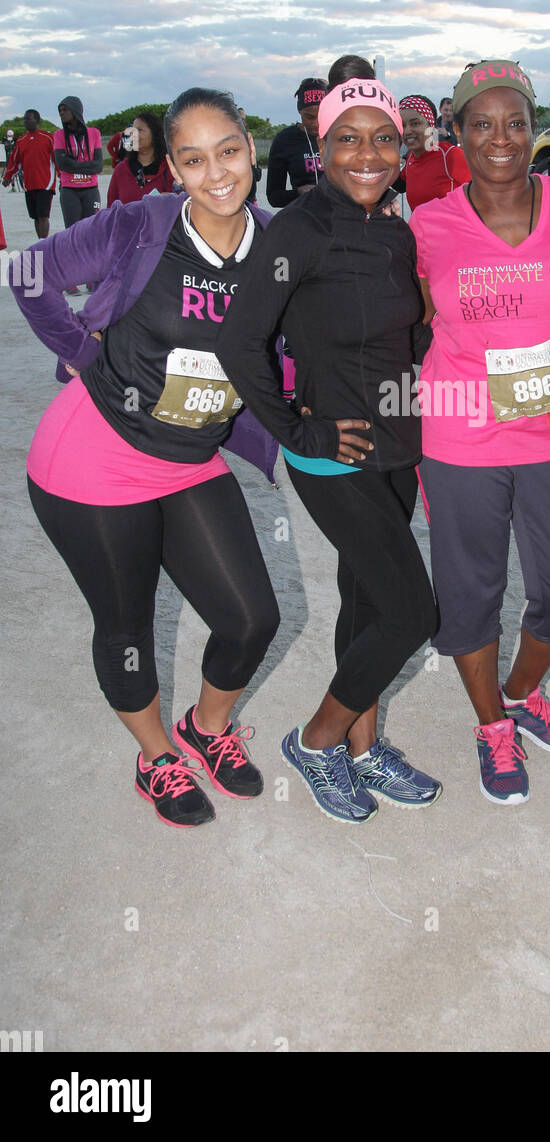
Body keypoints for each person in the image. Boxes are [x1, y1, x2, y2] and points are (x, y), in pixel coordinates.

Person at [9, 88, 281, 830]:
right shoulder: (142, 224)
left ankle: (208, 726)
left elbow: (291, 351)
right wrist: (79, 350)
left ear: (249, 149)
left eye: (228, 150)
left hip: (191, 457)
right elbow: (30, 273)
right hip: (92, 457)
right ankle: (156, 755)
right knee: (127, 627)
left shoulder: (280, 244)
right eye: (194, 158)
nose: (216, 171)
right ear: (175, 166)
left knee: (252, 618)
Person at [218, 77, 441, 823]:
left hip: (395, 444)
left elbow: (405, 336)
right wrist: (296, 430)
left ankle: (362, 744)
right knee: (413, 615)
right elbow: (238, 340)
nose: (368, 154)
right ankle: (317, 742)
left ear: (403, 149)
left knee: (369, 600)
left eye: (384, 139)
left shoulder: (395, 228)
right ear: (320, 147)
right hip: (331, 452)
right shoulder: (299, 229)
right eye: (349, 138)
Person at [411, 60, 550, 804]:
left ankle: (522, 693)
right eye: (482, 124)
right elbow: (398, 318)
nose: (501, 138)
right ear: (458, 135)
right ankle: (492, 724)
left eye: (516, 122)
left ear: (536, 130)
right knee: (470, 589)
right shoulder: (427, 224)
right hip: (460, 435)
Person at [398, 93, 470, 211]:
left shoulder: (450, 155)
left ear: (431, 125)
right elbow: (397, 185)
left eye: (415, 123)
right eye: (402, 125)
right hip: (417, 229)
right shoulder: (410, 159)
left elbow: (486, 193)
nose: (407, 131)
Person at [266, 78, 326, 208]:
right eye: (309, 117)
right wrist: (299, 192)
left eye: (322, 115)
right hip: (304, 218)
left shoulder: (340, 135)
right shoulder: (284, 140)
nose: (316, 123)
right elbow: (274, 197)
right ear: (300, 112)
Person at [2, 109, 56, 238]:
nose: (25, 122)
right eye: (24, 119)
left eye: (28, 119)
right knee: (35, 217)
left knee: (43, 216)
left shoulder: (48, 137)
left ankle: (44, 244)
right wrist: (7, 177)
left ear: (36, 120)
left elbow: (57, 159)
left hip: (45, 184)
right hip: (28, 184)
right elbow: (14, 161)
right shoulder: (21, 140)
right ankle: (40, 243)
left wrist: (63, 177)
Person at [53, 96, 103, 228]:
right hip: (69, 190)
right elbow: (61, 164)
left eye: (65, 109)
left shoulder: (94, 133)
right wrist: (88, 165)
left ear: (75, 110)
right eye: (60, 110)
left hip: (91, 190)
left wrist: (73, 164)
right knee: (72, 231)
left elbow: (98, 165)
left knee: (93, 229)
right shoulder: (59, 135)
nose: (61, 113)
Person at [106, 111, 174, 204]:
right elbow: (111, 209)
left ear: (155, 134)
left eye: (140, 130)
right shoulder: (121, 170)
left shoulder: (170, 168)